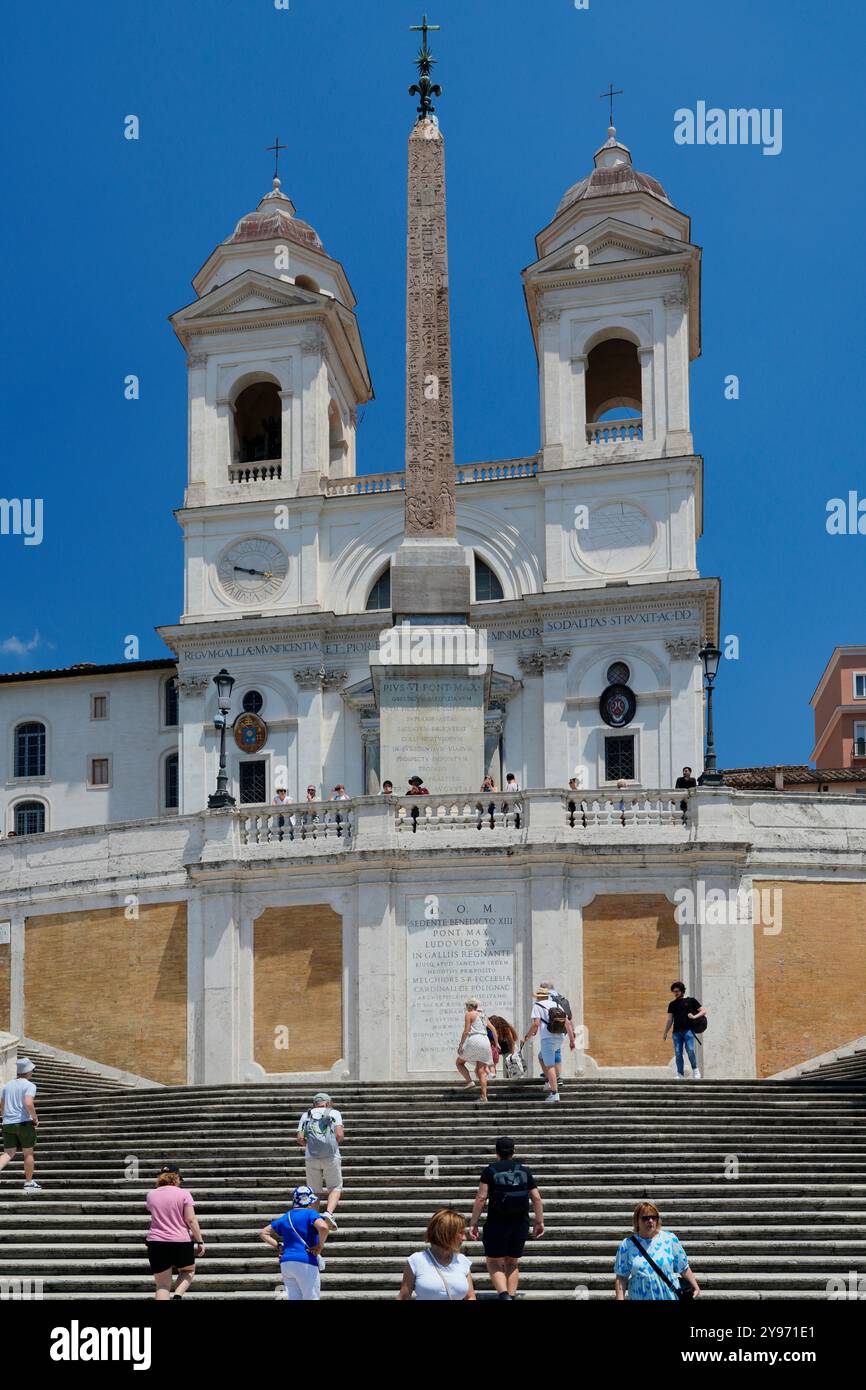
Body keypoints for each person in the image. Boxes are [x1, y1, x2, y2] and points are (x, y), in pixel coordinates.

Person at [469, 1136, 544, 1300]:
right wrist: (539, 1221)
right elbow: (537, 1198)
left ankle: (504, 1296)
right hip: (520, 1223)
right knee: (512, 1262)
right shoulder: (524, 1170)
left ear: (496, 1153)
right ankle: (511, 1295)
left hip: (497, 1223)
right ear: (513, 1152)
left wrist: (473, 1223)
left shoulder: (490, 1170)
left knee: (493, 1261)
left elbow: (481, 1198)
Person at [614, 1202, 700, 1300]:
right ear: (637, 1221)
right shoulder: (627, 1245)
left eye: (653, 1217)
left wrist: (696, 1286)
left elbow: (683, 1267)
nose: (650, 1221)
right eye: (645, 1218)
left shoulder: (670, 1239)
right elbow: (621, 1277)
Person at [144, 1163, 204, 1300]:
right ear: (176, 1178)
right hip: (180, 1241)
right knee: (188, 1270)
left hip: (156, 1242)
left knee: (162, 1285)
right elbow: (191, 1219)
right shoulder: (184, 1193)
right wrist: (199, 1240)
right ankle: (177, 1296)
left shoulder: (151, 1195)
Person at [260, 1185, 330, 1301]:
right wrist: (319, 1246)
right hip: (305, 1261)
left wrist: (279, 1246)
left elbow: (263, 1233)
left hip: (286, 1263)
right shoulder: (310, 1213)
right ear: (310, 1201)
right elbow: (323, 1228)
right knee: (311, 1297)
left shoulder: (285, 1217)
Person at [397, 1208, 476, 1300]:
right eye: (461, 1233)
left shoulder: (462, 1261)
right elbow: (403, 1297)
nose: (464, 1238)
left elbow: (470, 1296)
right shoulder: (416, 1260)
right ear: (446, 1233)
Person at [296, 1092, 344, 1227]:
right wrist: (331, 1144)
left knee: (314, 1190)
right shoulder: (334, 1113)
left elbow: (300, 1138)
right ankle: (328, 1213)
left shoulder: (306, 1115)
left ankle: (314, 1221)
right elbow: (339, 1134)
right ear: (328, 1103)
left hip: (311, 1157)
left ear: (314, 1104)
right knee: (335, 1186)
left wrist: (310, 1146)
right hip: (331, 1156)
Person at [522, 987, 571, 1103]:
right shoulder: (557, 1004)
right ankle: (550, 1081)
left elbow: (536, 1024)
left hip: (547, 1038)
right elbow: (567, 1022)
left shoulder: (537, 1006)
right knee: (541, 1056)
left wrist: (527, 1036)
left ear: (538, 997)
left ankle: (554, 1093)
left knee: (550, 1066)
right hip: (559, 1037)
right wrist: (572, 1039)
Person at [0, 1058, 40, 1191]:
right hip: (23, 1123)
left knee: (8, 1154)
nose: (32, 1073)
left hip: (7, 1123)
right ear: (28, 1071)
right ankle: (28, 1182)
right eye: (32, 1071)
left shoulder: (7, 1085)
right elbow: (28, 1103)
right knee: (28, 1153)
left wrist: (6, 1116)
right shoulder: (30, 1085)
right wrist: (34, 1118)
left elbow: (2, 1105)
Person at [537, 980, 577, 1089]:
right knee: (556, 1052)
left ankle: (554, 1077)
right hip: (561, 1029)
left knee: (548, 1056)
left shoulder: (546, 999)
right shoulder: (562, 999)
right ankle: (555, 1076)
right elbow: (568, 1018)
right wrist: (572, 1034)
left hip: (549, 1030)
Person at [663, 981, 706, 1079]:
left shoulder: (691, 1000)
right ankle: (680, 1074)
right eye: (674, 991)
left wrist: (694, 1016)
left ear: (682, 991)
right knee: (678, 1053)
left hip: (688, 1031)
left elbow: (703, 1011)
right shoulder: (672, 1004)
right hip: (676, 1032)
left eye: (677, 991)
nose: (675, 993)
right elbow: (670, 1019)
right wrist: (665, 1032)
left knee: (690, 1050)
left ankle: (695, 1070)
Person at [456, 998, 495, 1102]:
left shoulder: (469, 1014)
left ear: (469, 1006)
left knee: (459, 1062)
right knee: (481, 1071)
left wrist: (461, 1044)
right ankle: (484, 1096)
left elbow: (466, 1031)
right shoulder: (483, 1015)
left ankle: (469, 1081)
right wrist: (497, 1043)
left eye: (466, 1007)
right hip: (485, 1040)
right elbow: (493, 1029)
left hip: (475, 1039)